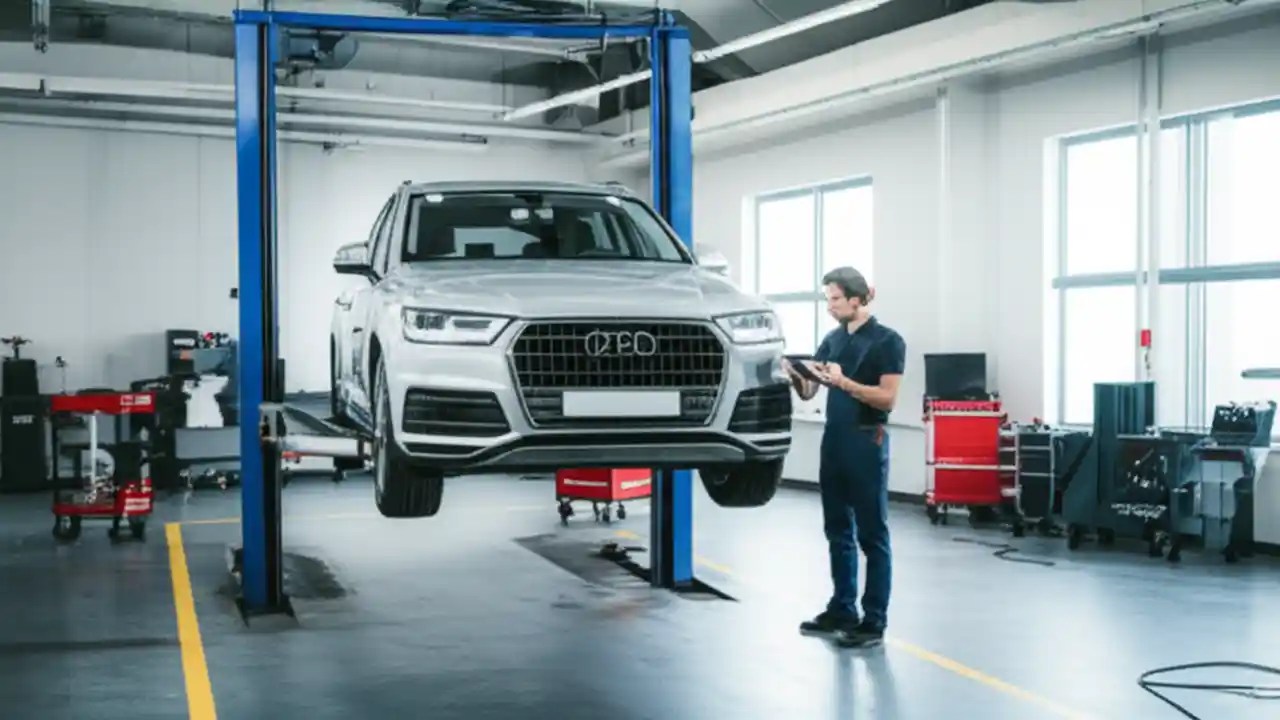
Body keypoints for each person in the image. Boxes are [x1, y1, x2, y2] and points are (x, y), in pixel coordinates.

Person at [782, 266, 905, 649]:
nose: (830, 307)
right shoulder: (832, 340)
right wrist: (796, 374)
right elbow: (809, 393)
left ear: (858, 298)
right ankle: (842, 608)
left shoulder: (888, 341)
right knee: (837, 530)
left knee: (872, 534)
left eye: (836, 299)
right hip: (834, 439)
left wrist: (843, 382)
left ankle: (874, 621)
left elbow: (887, 398)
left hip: (867, 439)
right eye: (827, 299)